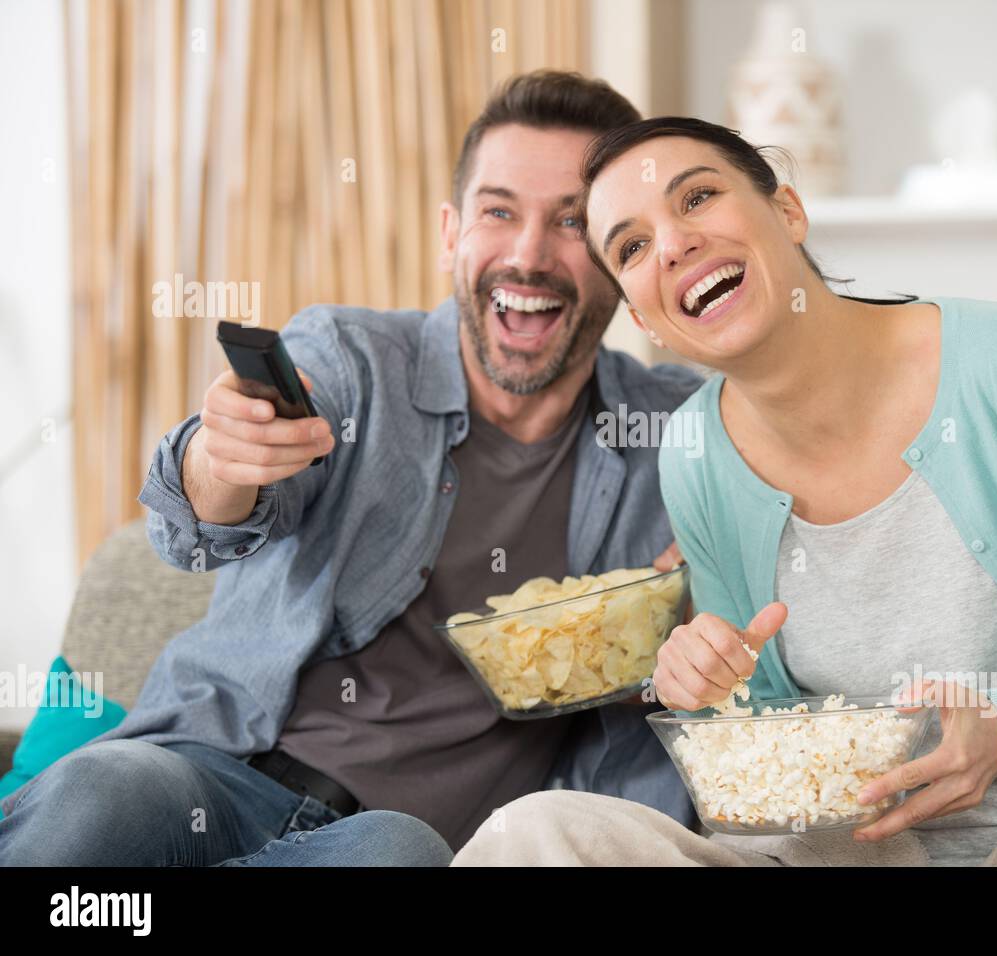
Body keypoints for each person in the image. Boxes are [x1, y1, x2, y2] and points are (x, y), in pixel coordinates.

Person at [450, 116, 997, 867]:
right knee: (529, 836)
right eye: (631, 246)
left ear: (787, 210)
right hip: (847, 855)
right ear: (647, 320)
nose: (675, 243)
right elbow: (762, 728)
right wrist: (708, 692)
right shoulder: (694, 451)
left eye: (697, 196)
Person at [0, 74, 703, 866]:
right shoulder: (352, 359)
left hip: (390, 837)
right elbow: (207, 512)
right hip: (206, 775)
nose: (528, 255)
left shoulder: (676, 435)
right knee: (96, 790)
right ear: (451, 233)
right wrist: (221, 461)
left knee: (394, 854)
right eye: (498, 211)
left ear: (619, 252)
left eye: (573, 222)